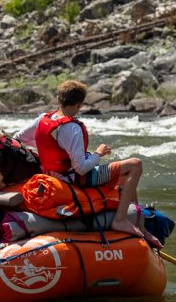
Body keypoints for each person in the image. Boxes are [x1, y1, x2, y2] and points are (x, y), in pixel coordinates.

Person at [17, 79, 151, 241]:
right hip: (75, 179)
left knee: (123, 173)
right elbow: (81, 168)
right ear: (79, 105)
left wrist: (48, 149)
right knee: (134, 165)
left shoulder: (43, 119)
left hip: (52, 174)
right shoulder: (72, 128)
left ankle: (138, 222)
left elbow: (19, 138)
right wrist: (98, 154)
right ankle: (120, 220)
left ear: (59, 99)